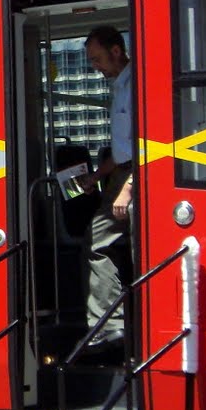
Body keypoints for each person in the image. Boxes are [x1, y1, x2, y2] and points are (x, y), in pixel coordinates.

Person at [82, 26, 134, 352]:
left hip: (138, 176)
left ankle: (121, 325)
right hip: (122, 173)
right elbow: (123, 148)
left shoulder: (136, 84)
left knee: (143, 249)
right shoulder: (119, 87)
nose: (95, 67)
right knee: (96, 239)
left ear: (116, 51)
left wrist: (128, 188)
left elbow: (148, 143)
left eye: (98, 59)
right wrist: (96, 176)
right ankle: (108, 326)